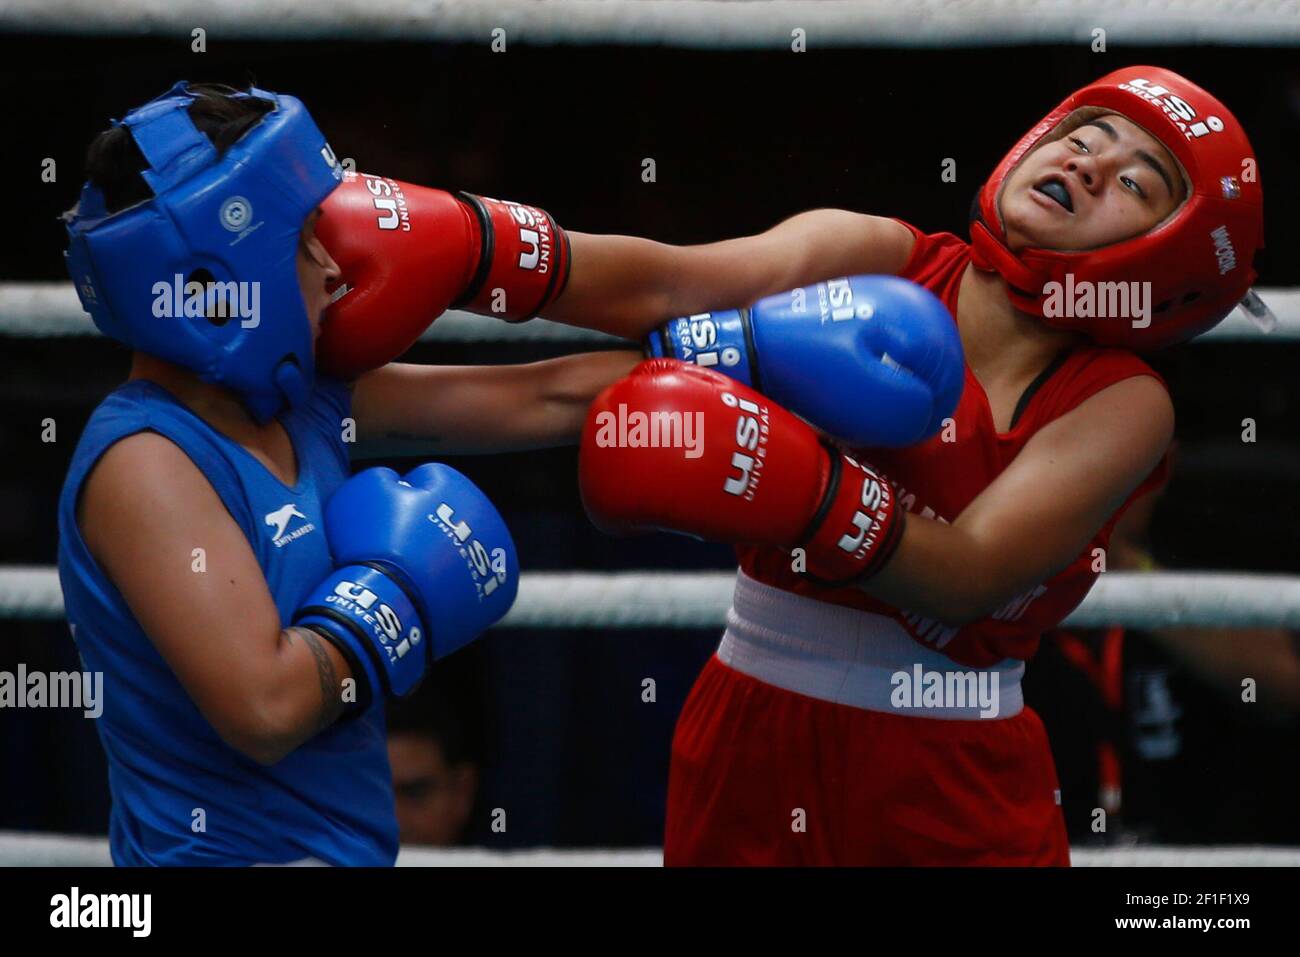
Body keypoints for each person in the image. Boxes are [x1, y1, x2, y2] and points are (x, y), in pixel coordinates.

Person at [572, 65, 1266, 864]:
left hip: (950, 770)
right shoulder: (877, 256)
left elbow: (968, 576)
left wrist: (791, 478)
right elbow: (665, 288)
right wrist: (484, 249)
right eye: (1083, 138)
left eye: (1135, 183)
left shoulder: (1123, 403)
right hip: (747, 731)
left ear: (1169, 257)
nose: (1087, 165)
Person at [57, 81, 638, 866]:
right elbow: (264, 708)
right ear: (220, 279)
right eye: (301, 240)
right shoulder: (147, 465)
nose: (333, 267)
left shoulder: (301, 399)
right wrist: (391, 596)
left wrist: (738, 359)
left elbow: (543, 396)